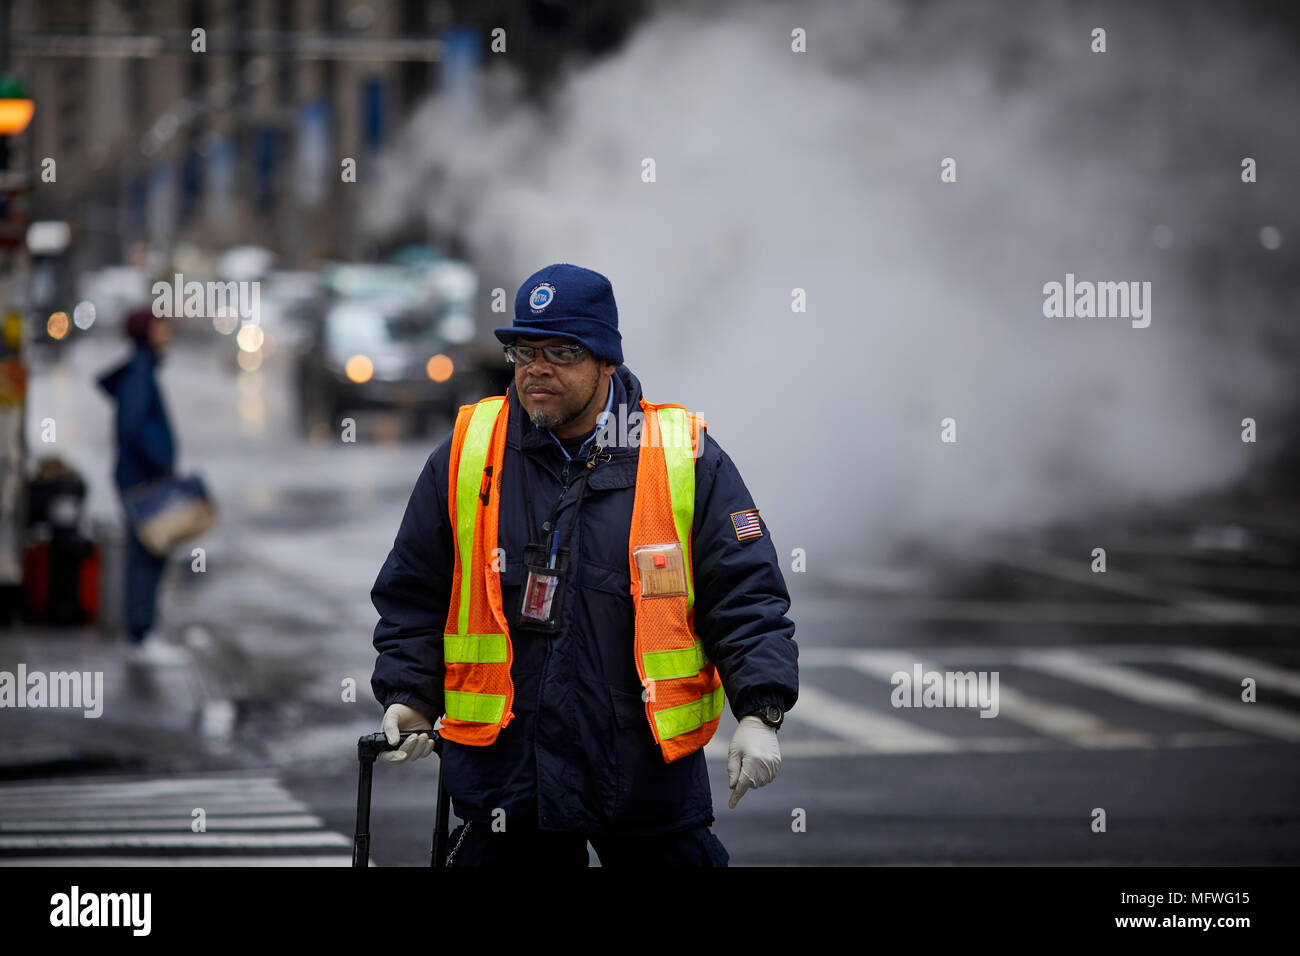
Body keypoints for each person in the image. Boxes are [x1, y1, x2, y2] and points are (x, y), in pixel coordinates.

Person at [370, 263, 797, 866]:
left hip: (645, 779)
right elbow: (415, 589)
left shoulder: (681, 453)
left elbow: (746, 595)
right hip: (509, 785)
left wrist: (760, 710)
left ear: (607, 362)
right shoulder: (470, 449)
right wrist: (410, 691)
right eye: (523, 349)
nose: (536, 367)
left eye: (561, 350)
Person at [96, 308, 186, 665]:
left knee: (150, 551)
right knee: (146, 554)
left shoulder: (144, 368)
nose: (167, 332)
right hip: (141, 479)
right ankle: (140, 634)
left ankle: (143, 632)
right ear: (147, 331)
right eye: (161, 326)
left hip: (140, 477)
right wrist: (159, 461)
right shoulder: (139, 372)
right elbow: (133, 425)